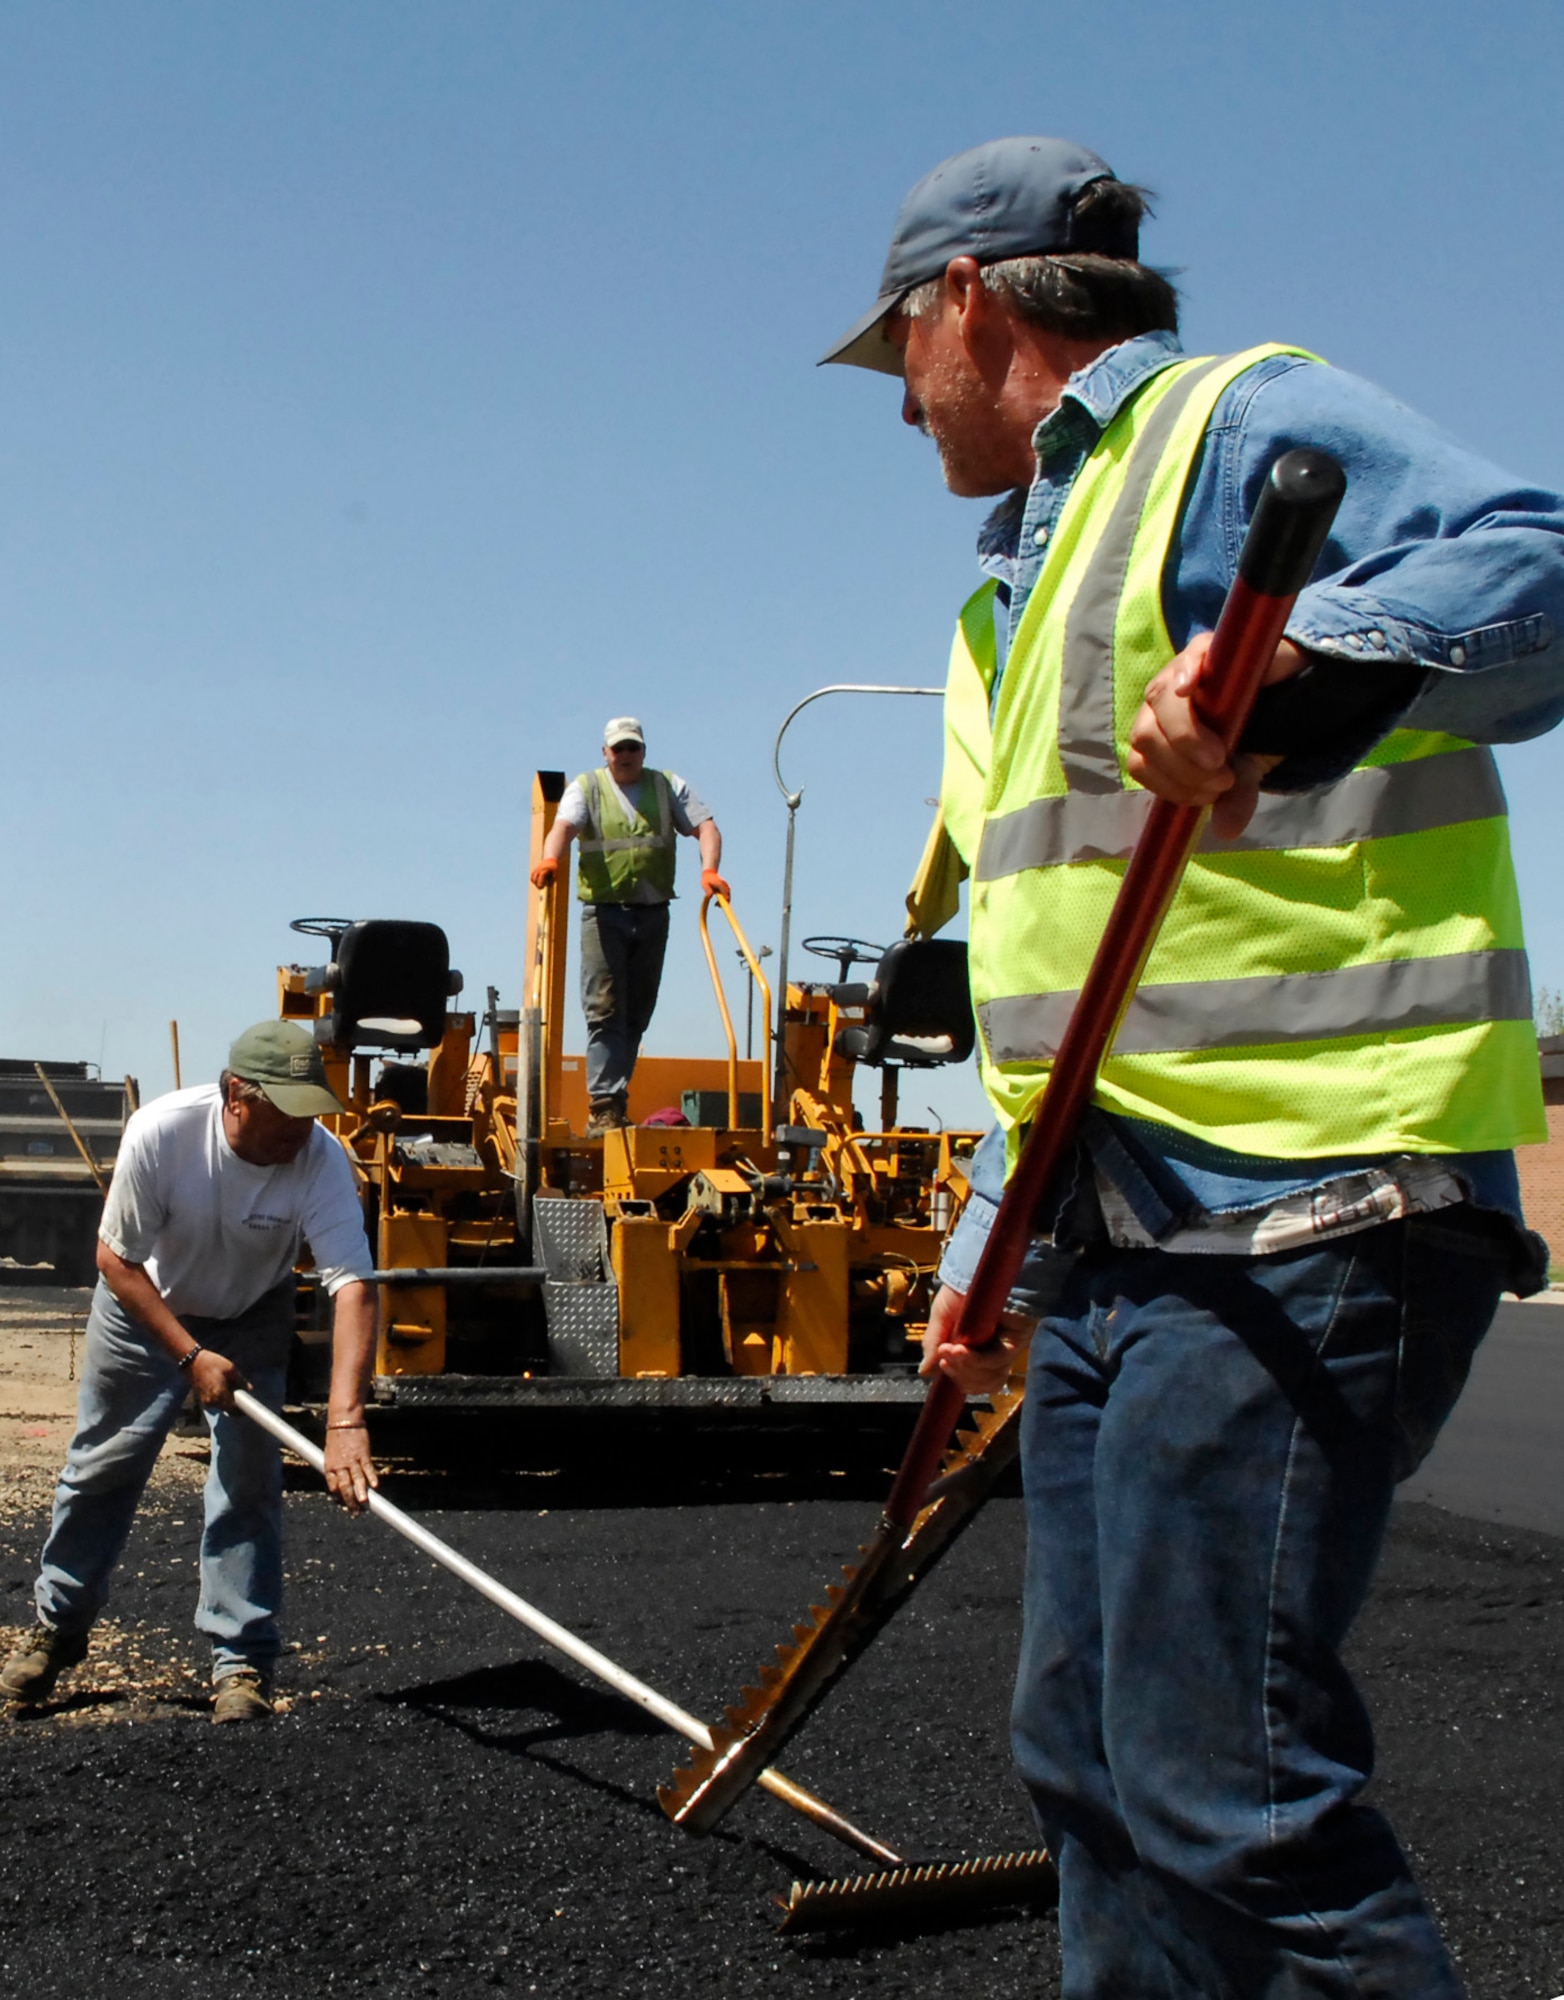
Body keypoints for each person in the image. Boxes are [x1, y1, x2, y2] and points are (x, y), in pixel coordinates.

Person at [822, 136, 1564, 1995]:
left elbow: (1538, 569)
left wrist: (1310, 666)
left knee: (1216, 1779)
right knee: (1085, 1759)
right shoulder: (1006, 601)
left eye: (894, 359)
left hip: (1310, 1196)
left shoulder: (1228, 427)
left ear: (961, 303)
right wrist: (992, 1240)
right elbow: (1059, 975)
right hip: (1111, 1234)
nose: (896, 406)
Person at [1, 1021, 378, 1725]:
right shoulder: (164, 1133)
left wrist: (345, 1419)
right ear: (237, 1094)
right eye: (286, 1111)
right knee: (101, 1469)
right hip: (144, 1311)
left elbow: (353, 1285)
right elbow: (115, 1260)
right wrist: (188, 1355)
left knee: (247, 1485)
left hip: (251, 1314)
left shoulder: (319, 1160)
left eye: (311, 1111)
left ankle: (242, 1662)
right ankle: (57, 1630)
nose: (302, 1129)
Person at [530, 716, 728, 1132]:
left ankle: (616, 1100)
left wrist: (709, 871)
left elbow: (706, 826)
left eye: (632, 748)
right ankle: (603, 1105)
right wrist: (551, 858)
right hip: (604, 914)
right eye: (617, 748)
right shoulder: (587, 789)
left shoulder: (667, 786)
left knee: (637, 1012)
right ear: (605, 752)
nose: (625, 755)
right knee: (604, 1009)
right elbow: (563, 827)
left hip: (653, 913)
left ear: (643, 751)